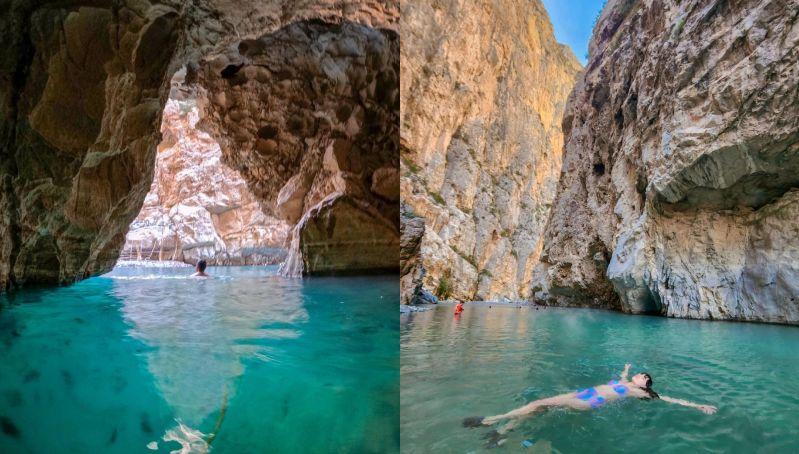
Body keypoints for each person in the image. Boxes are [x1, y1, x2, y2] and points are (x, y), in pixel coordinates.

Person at [464, 364, 717, 446]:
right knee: (538, 404)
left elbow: (671, 399)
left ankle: (491, 422)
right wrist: (626, 369)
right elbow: (618, 379)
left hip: (590, 402)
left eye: (640, 375)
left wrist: (698, 406)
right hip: (584, 393)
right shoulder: (626, 382)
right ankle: (499, 434)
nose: (636, 375)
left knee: (539, 406)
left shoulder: (640, 393)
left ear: (645, 383)